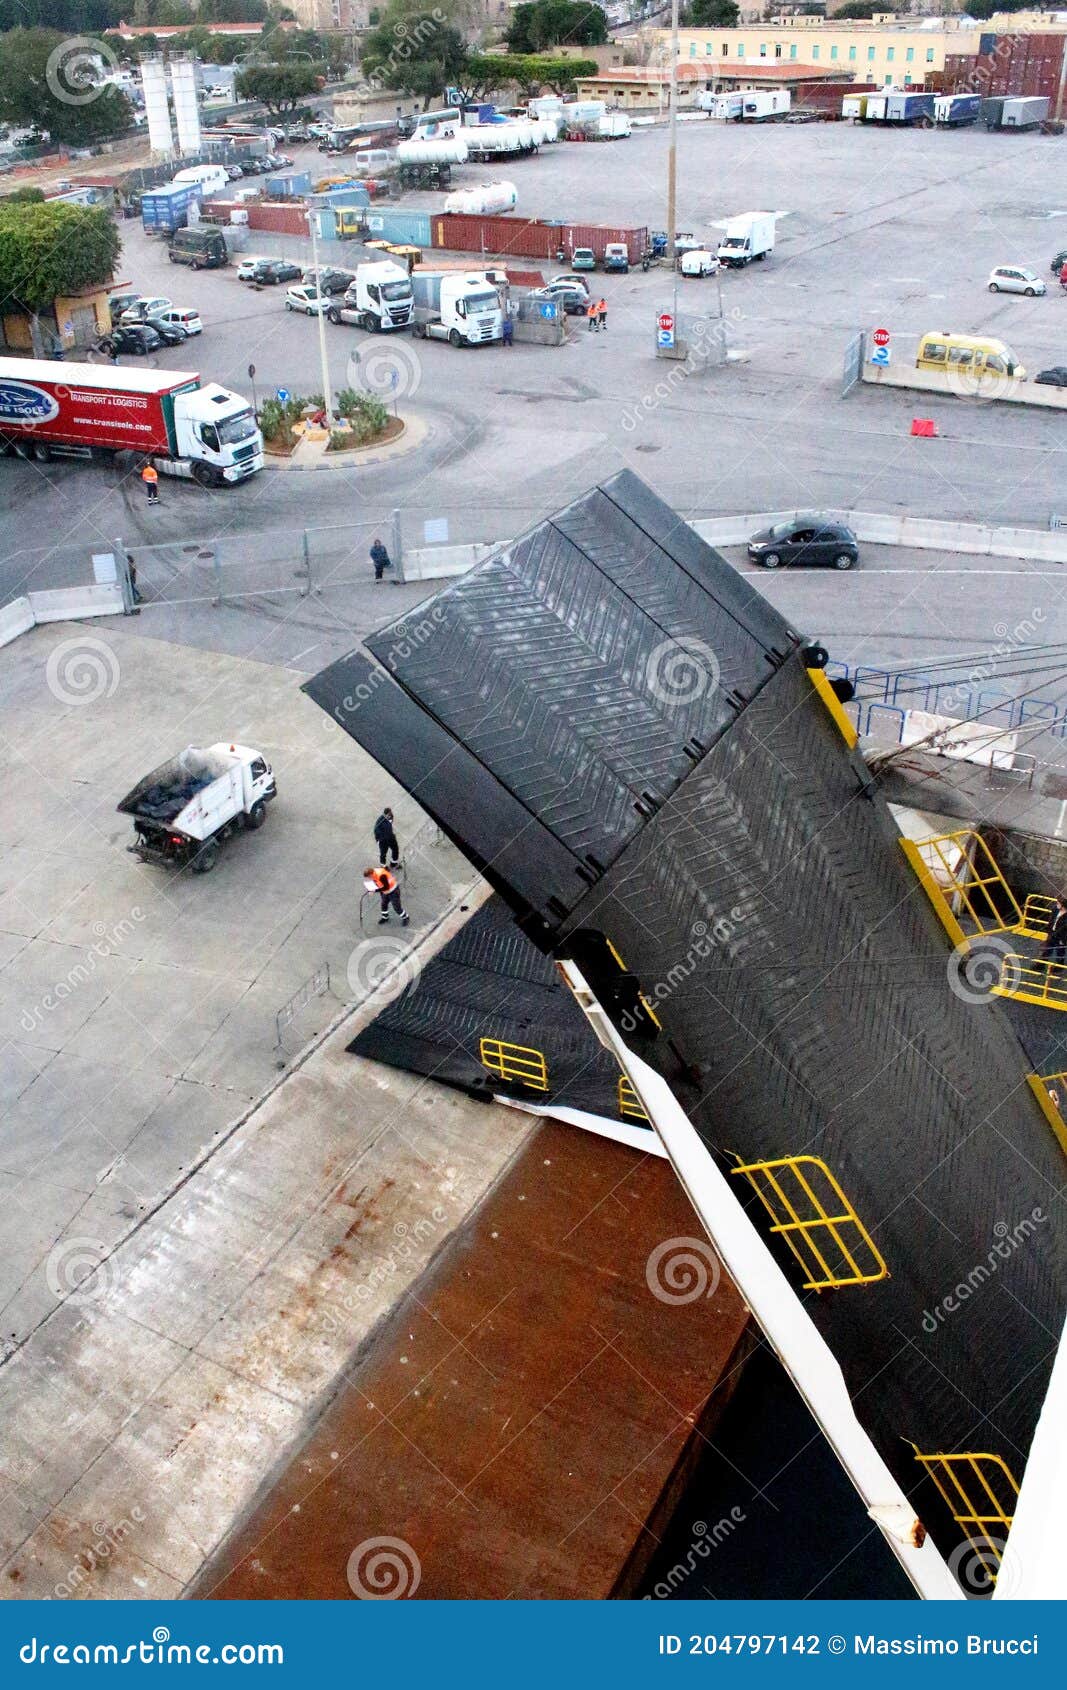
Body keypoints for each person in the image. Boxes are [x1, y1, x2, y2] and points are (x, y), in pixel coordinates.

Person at [1041, 895, 1067, 965]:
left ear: (1063, 905)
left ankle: (1059, 965)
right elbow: (1051, 921)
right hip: (1052, 933)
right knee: (1047, 949)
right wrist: (1049, 932)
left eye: (1058, 903)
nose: (1057, 904)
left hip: (1061, 936)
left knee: (1060, 952)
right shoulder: (1055, 909)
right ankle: (1041, 964)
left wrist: (1064, 940)